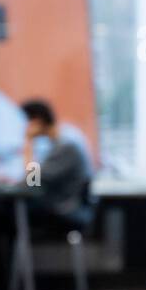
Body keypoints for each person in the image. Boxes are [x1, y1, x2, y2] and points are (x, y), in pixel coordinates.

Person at [20, 99, 94, 232]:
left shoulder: (65, 146)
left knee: (4, 212)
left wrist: (28, 143)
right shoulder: (63, 139)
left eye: (24, 123)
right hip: (65, 205)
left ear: (37, 121)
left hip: (66, 209)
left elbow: (32, 181)